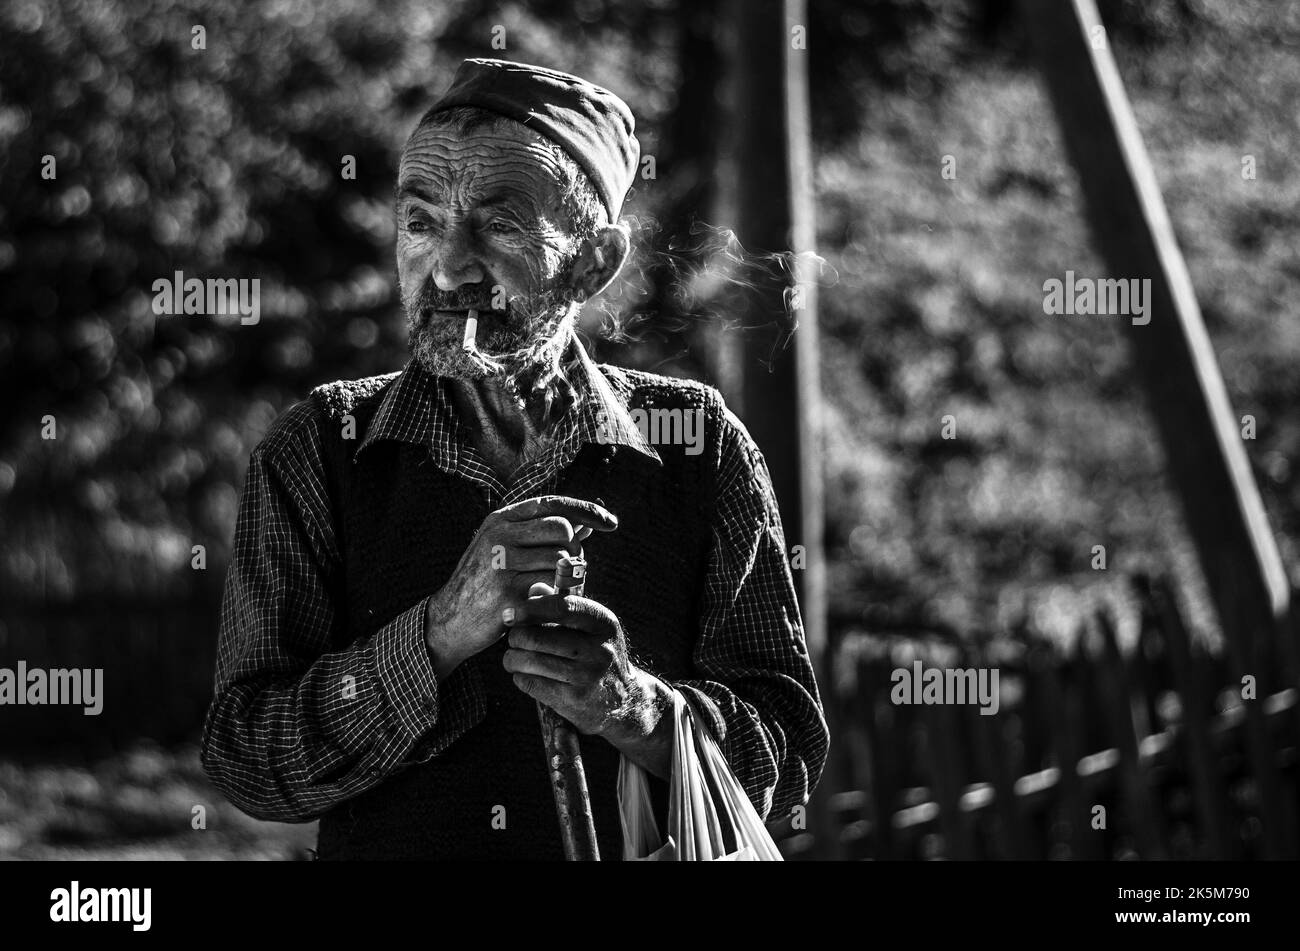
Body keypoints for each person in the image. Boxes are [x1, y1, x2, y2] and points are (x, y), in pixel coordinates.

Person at [200, 58, 828, 860]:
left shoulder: (697, 447)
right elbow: (249, 761)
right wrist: (436, 635)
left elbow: (789, 753)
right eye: (421, 223)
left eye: (498, 226)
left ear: (593, 261)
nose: (450, 267)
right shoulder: (322, 447)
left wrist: (634, 708)